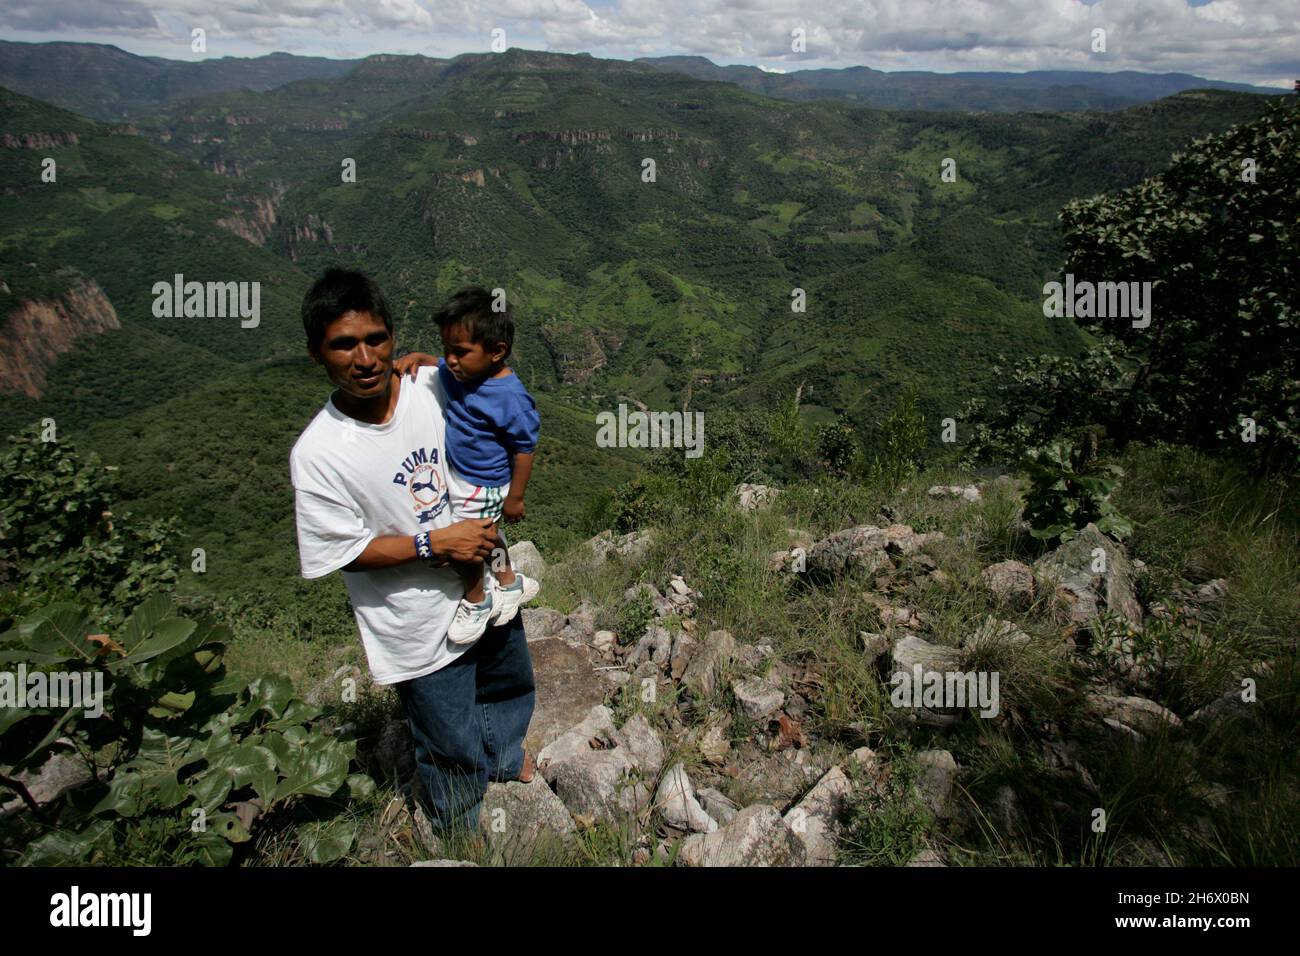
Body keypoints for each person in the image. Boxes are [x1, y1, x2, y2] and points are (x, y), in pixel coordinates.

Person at [289, 267, 536, 838]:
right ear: (315, 354)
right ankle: (460, 826)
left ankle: (503, 756)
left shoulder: (432, 384)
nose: (366, 358)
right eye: (344, 345)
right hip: (414, 617)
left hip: (484, 587)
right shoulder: (319, 454)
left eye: (376, 339)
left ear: (393, 337)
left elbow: (497, 384)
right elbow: (341, 553)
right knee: (446, 730)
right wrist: (433, 542)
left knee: (506, 680)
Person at [393, 286, 541, 646]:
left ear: (496, 352)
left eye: (459, 352)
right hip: (462, 476)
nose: (451, 360)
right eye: (447, 350)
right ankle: (509, 582)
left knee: (467, 542)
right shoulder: (465, 371)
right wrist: (421, 357)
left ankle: (477, 599)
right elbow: (441, 363)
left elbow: (525, 448)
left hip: (485, 482)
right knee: (490, 535)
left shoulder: (510, 398)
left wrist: (515, 498)